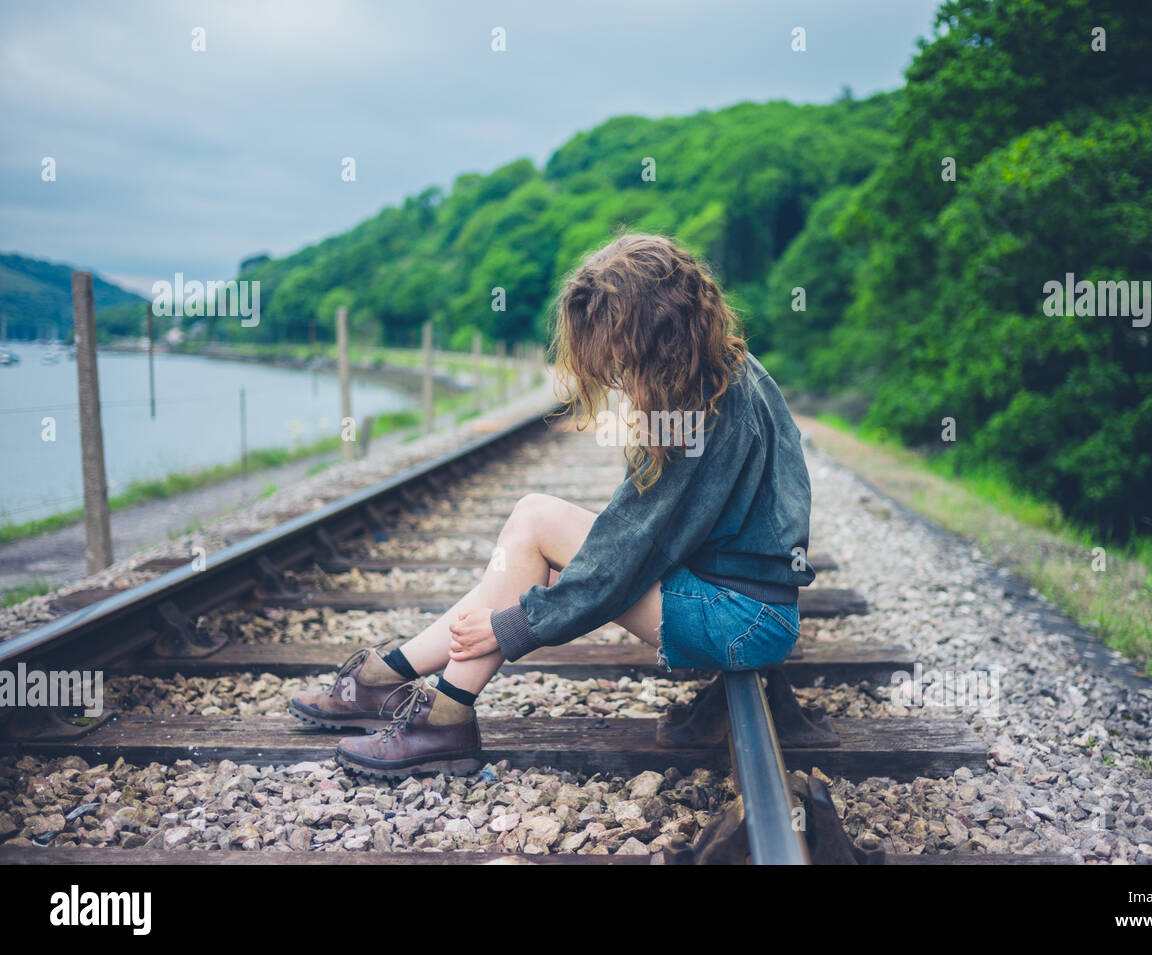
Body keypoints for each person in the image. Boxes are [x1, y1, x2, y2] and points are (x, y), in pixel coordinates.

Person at [289, 233, 816, 777]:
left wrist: (515, 625)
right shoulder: (725, 374)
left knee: (535, 523)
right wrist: (507, 617)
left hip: (742, 621)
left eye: (616, 345)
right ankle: (395, 682)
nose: (611, 365)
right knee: (529, 534)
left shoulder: (705, 411)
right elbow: (632, 538)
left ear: (658, 331)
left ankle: (429, 709)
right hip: (737, 606)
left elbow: (622, 562)